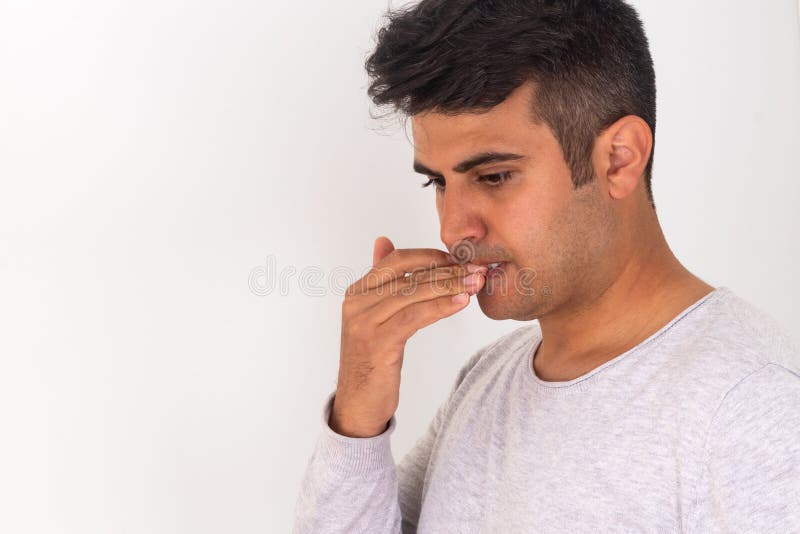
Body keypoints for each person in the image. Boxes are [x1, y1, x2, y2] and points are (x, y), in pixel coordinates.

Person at [293, 0, 800, 532]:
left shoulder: (749, 407)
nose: (452, 229)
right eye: (438, 182)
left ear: (619, 159)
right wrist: (358, 411)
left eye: (493, 177)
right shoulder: (489, 378)